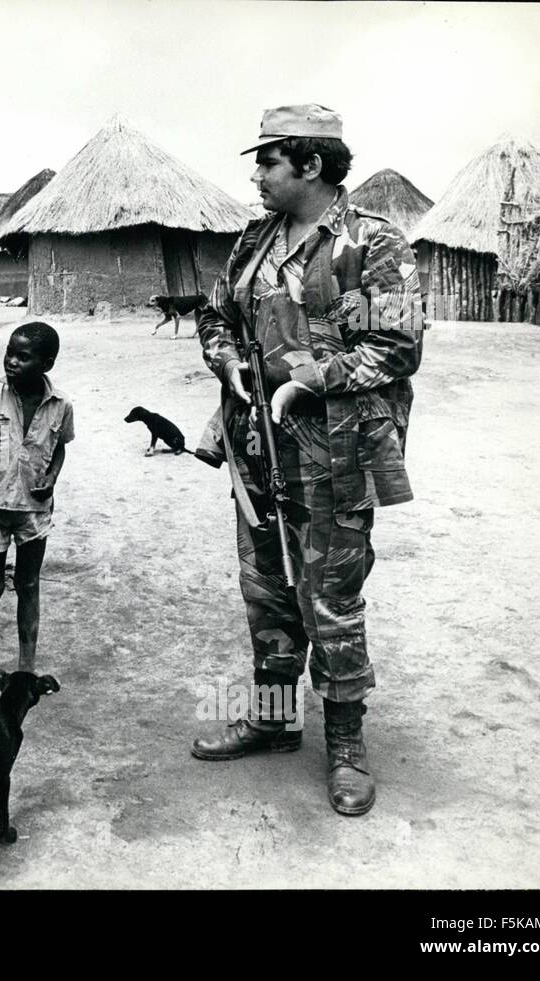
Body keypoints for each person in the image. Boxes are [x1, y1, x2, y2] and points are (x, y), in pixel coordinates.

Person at [190, 105, 424, 815]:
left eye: (267, 161)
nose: (256, 175)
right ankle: (272, 717)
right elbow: (215, 315)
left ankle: (347, 745)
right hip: (258, 452)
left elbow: (397, 347)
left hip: (335, 456)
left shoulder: (371, 243)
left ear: (310, 164)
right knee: (263, 587)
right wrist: (225, 359)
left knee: (330, 594)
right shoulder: (254, 240)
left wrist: (308, 379)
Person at [0, 322, 73, 706]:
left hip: (34, 511)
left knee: (29, 585)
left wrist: (51, 478)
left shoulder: (61, 405)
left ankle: (25, 670)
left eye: (23, 357)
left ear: (46, 363)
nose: (12, 362)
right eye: (10, 353)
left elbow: (60, 449)